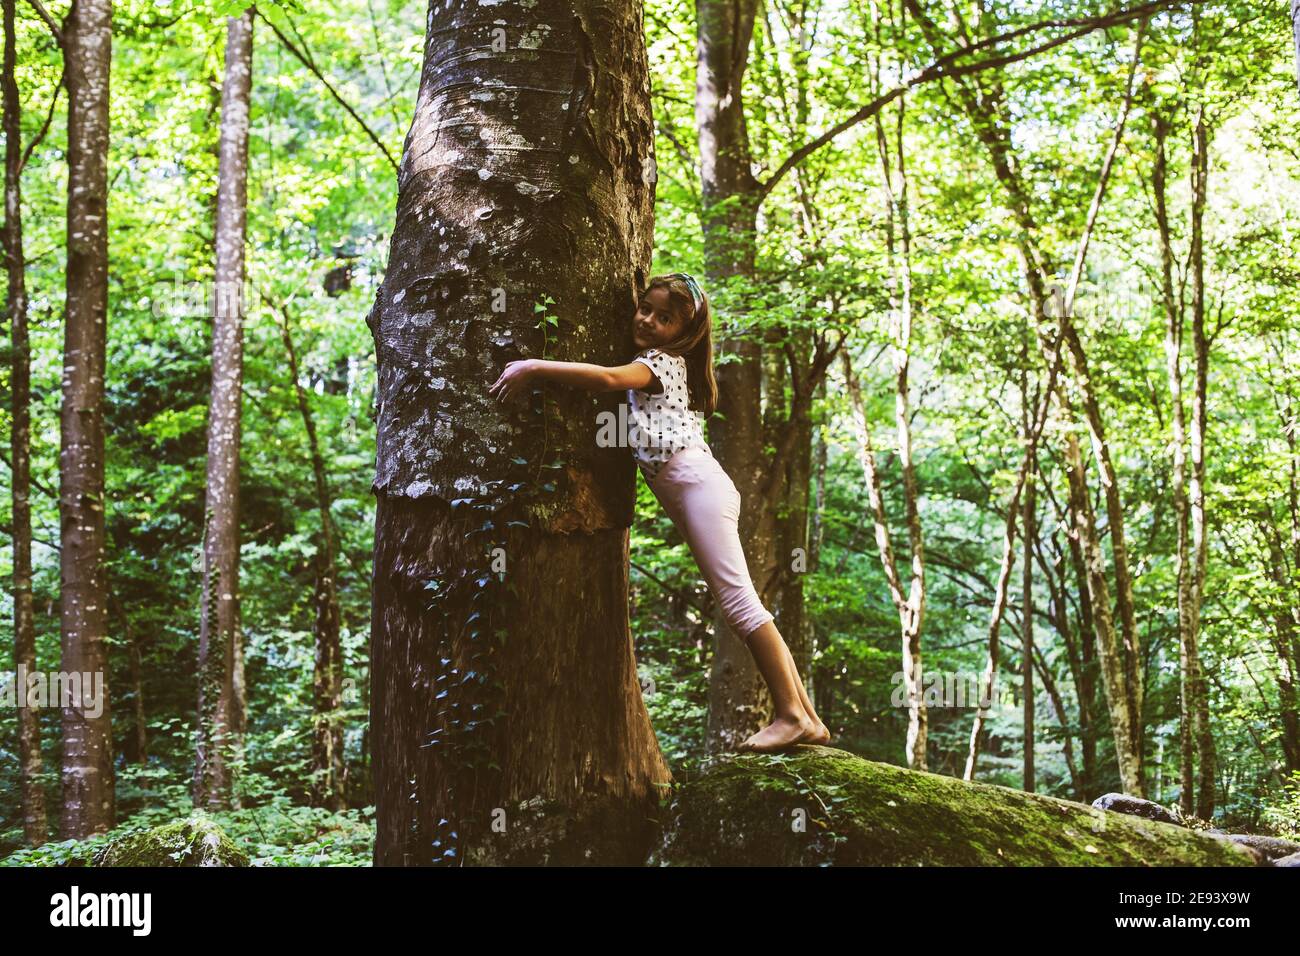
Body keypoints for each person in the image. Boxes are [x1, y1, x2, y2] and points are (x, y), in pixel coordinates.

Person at [488, 272, 830, 752]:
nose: (647, 321)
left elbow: (607, 379)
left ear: (683, 334)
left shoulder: (661, 364)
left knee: (739, 604)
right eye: (644, 308)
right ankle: (808, 715)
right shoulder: (674, 369)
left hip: (698, 487)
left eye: (664, 318)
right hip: (699, 488)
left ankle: (792, 714)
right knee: (745, 601)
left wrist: (533, 367)